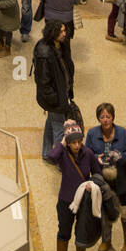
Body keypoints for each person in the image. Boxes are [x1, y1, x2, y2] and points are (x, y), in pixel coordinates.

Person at [47, 121, 102, 251]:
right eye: (73, 142)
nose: (77, 145)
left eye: (79, 141)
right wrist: (62, 143)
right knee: (64, 233)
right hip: (66, 200)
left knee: (82, 233)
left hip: (84, 201)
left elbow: (98, 175)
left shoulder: (89, 153)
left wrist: (92, 184)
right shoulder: (63, 153)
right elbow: (51, 157)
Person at [85, 104, 126, 251]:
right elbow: (87, 154)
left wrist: (120, 156)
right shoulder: (91, 134)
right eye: (102, 117)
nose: (105, 120)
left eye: (108, 116)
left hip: (122, 181)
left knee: (125, 212)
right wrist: (97, 158)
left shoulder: (124, 134)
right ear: (98, 118)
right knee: (105, 211)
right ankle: (106, 240)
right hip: (103, 182)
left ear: (113, 117)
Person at [33, 20, 74, 160]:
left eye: (64, 30)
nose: (65, 33)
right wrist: (56, 100)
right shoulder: (44, 53)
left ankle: (46, 153)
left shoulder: (60, 45)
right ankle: (61, 161)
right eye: (61, 31)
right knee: (59, 131)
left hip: (60, 93)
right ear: (53, 33)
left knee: (51, 123)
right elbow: (43, 82)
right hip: (55, 98)